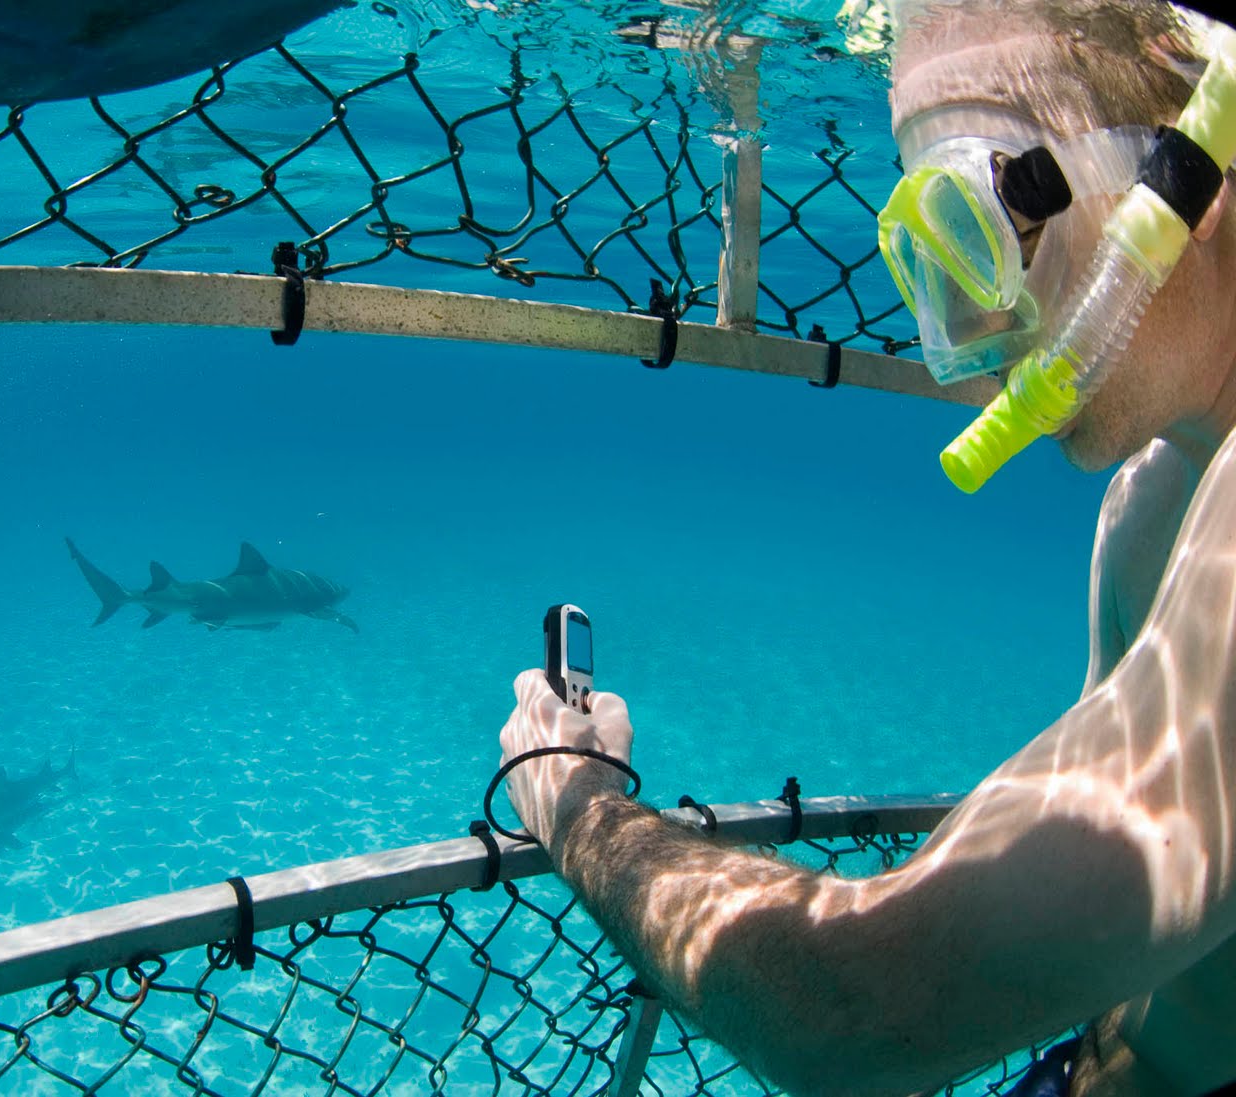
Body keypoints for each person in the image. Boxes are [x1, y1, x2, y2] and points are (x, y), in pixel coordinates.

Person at [497, 2, 1236, 1095]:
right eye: (926, 263)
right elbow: (1027, 879)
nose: (972, 338)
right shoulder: (1150, 499)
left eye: (987, 224)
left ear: (1194, 178)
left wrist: (575, 802)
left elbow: (864, 1007)